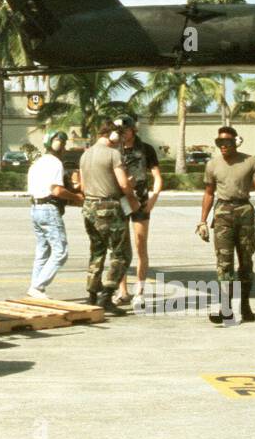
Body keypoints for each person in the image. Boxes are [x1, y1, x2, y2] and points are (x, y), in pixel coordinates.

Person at [197, 126, 255, 325]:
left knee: (246, 261)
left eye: (227, 142)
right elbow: (209, 193)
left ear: (235, 142)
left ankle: (245, 305)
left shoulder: (250, 161)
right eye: (219, 143)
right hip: (222, 214)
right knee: (224, 263)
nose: (223, 146)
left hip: (244, 212)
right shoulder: (212, 165)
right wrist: (202, 221)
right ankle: (226, 309)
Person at [78, 121, 138, 315]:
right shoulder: (113, 154)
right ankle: (107, 296)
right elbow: (123, 184)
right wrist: (132, 194)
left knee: (97, 252)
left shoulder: (85, 154)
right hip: (109, 208)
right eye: (119, 137)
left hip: (89, 207)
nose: (120, 141)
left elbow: (83, 187)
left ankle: (92, 295)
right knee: (122, 254)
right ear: (113, 136)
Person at [110, 114, 163, 308]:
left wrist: (153, 199)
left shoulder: (146, 149)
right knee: (120, 248)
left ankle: (139, 291)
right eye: (119, 131)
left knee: (141, 246)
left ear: (134, 130)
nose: (123, 134)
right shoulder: (113, 150)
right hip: (120, 201)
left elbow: (157, 177)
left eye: (126, 130)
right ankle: (122, 291)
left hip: (140, 201)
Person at [27, 131, 83, 299]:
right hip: (49, 209)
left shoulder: (37, 163)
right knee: (60, 252)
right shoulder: (55, 164)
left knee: (43, 250)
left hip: (35, 209)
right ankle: (38, 286)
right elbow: (57, 190)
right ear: (58, 146)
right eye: (63, 145)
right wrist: (76, 197)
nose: (65, 148)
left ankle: (35, 288)